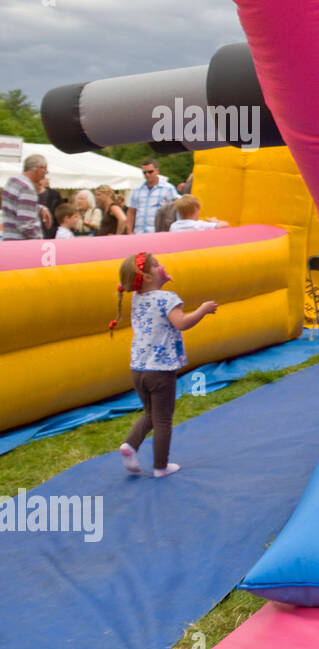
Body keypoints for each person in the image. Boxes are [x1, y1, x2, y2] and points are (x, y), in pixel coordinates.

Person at [109, 251, 217, 477]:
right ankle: (160, 466)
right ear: (147, 277)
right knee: (163, 418)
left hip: (138, 369)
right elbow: (181, 323)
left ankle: (129, 445)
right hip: (161, 370)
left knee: (151, 412)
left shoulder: (137, 298)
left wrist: (161, 280)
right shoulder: (168, 298)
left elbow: (154, 308)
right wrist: (203, 310)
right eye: (157, 265)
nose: (162, 266)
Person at [2, 154, 51, 240]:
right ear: (39, 168)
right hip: (22, 243)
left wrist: (40, 208)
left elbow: (15, 205)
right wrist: (39, 239)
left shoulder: (12, 181)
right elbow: (26, 225)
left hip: (8, 238)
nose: (45, 175)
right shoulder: (27, 189)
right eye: (45, 170)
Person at [125, 159, 177, 235]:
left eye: (150, 172)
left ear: (157, 171)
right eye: (144, 172)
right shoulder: (137, 190)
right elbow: (131, 212)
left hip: (158, 233)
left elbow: (175, 210)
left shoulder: (168, 189)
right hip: (139, 233)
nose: (147, 174)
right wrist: (129, 231)